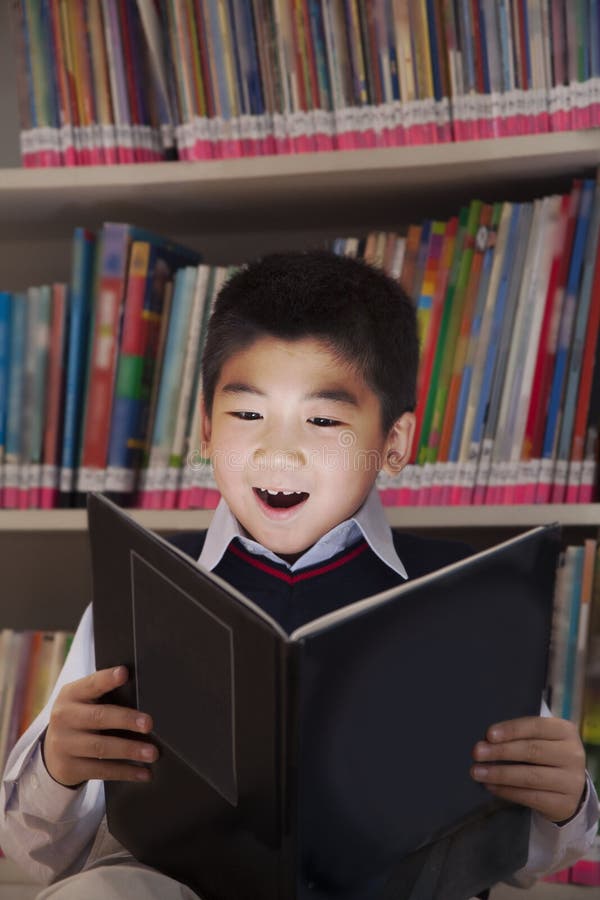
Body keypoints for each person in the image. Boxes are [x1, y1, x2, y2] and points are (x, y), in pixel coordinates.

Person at [0, 250, 598, 900]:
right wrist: (58, 767)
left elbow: (527, 852)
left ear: (394, 443)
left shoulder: (465, 594)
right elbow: (37, 853)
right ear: (205, 429)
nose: (278, 451)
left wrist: (564, 800)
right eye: (247, 414)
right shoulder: (142, 590)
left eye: (323, 420)